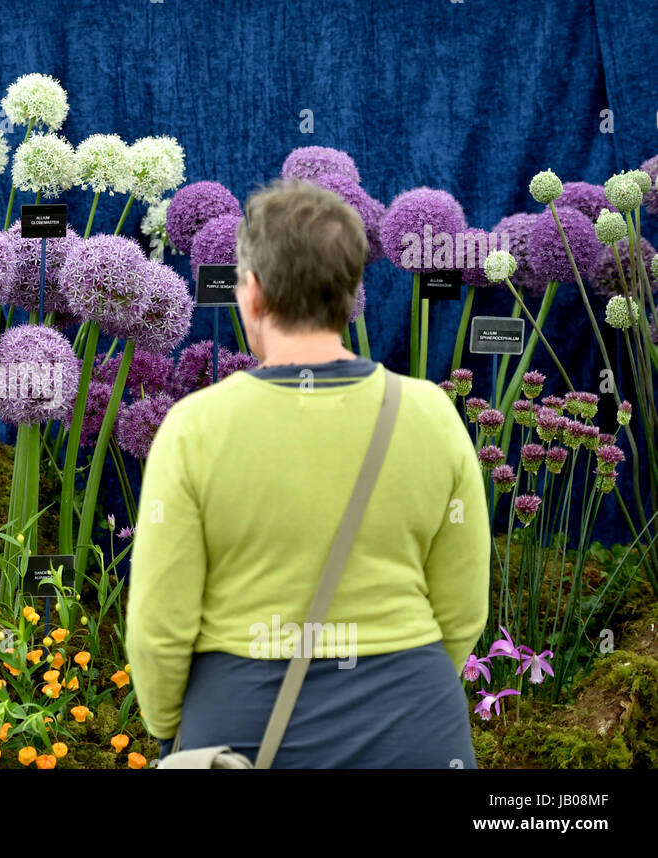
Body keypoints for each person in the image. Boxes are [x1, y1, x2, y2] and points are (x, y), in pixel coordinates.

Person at [126, 179, 489, 768]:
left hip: (243, 728)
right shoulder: (432, 416)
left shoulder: (195, 428)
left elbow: (158, 628)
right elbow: (463, 610)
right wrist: (398, 681)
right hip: (417, 727)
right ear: (350, 293)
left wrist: (174, 732)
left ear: (257, 294)